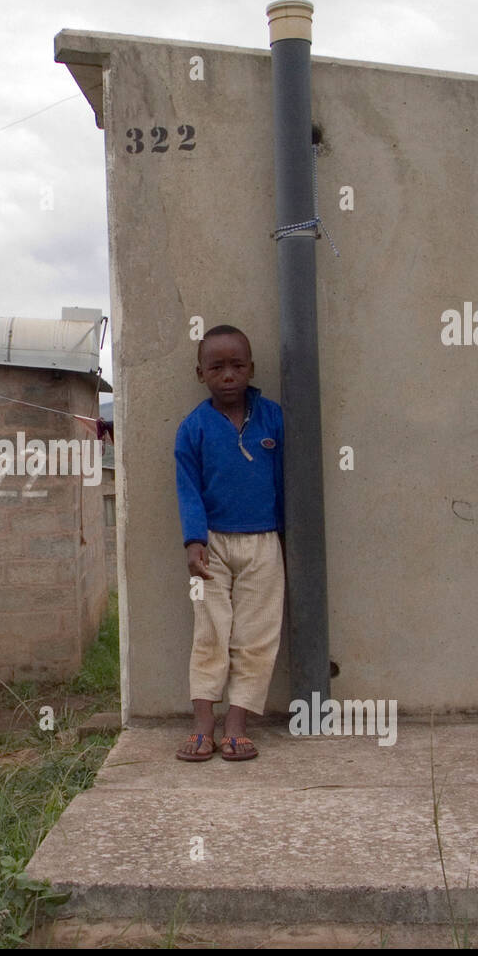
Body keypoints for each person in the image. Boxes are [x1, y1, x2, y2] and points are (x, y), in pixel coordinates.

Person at [173, 325, 285, 761]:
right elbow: (188, 489)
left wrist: (285, 536)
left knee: (256, 635)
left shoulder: (273, 418)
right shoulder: (193, 428)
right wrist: (193, 542)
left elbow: (287, 482)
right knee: (210, 629)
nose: (228, 375)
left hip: (263, 543)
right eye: (216, 367)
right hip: (211, 547)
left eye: (237, 365)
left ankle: (237, 723)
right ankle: (203, 722)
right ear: (200, 373)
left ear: (251, 368)